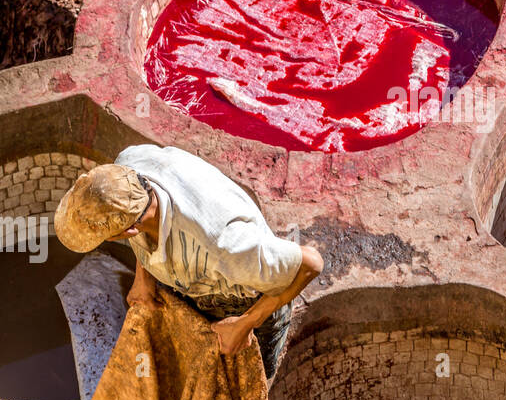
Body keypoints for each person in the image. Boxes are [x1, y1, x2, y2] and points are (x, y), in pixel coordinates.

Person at [53, 143, 323, 378]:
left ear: (128, 231)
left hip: (248, 298)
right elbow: (135, 214)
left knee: (248, 391)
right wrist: (143, 276)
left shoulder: (223, 243)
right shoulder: (127, 166)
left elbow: (310, 264)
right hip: (200, 281)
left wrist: (245, 324)